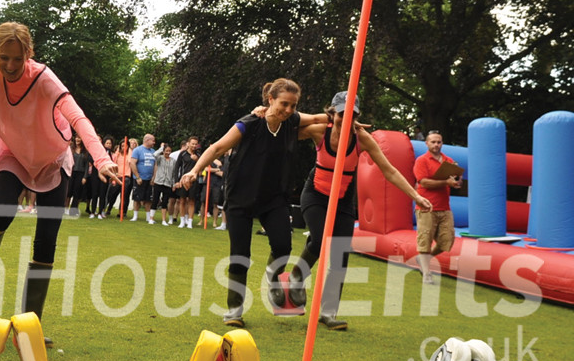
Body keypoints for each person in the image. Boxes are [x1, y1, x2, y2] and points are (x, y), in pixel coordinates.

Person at [0, 22, 118, 344]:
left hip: (51, 156)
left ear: (28, 55)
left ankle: (29, 326)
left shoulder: (44, 78)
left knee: (46, 239)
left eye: (16, 59)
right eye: (3, 57)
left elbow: (78, 118)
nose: (9, 66)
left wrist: (101, 159)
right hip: (10, 151)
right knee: (3, 210)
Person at [181, 79, 328, 327]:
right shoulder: (249, 123)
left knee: (283, 246)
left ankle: (273, 280)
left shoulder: (291, 122)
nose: (289, 110)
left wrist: (344, 118)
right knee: (240, 255)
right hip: (241, 198)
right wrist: (194, 171)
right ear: (270, 99)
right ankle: (234, 310)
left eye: (293, 106)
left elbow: (318, 119)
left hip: (274, 199)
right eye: (284, 104)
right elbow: (217, 148)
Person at [292, 91, 432, 330]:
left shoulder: (361, 138)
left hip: (344, 200)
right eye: (341, 115)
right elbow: (288, 126)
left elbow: (389, 171)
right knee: (318, 241)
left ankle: (328, 313)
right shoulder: (320, 130)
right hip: (315, 193)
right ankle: (296, 277)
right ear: (332, 113)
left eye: (351, 116)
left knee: (340, 256)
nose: (345, 121)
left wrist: (416, 196)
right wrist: (316, 117)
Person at [413, 130, 461, 283]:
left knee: (447, 240)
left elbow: (455, 182)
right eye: (433, 142)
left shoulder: (449, 161)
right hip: (426, 206)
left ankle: (424, 260)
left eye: (439, 142)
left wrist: (456, 182)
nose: (436, 144)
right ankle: (427, 274)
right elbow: (423, 182)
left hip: (444, 207)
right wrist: (446, 182)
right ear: (427, 143)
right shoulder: (422, 160)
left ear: (442, 143)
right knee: (425, 240)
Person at [173, 137, 201, 228]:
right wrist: (176, 181)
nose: (194, 146)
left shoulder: (198, 155)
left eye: (195, 144)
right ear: (188, 143)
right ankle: (182, 221)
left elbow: (202, 168)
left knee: (192, 201)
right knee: (182, 200)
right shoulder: (183, 154)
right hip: (183, 180)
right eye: (192, 143)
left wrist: (196, 160)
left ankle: (190, 222)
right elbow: (177, 168)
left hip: (194, 181)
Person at [129, 133, 157, 223]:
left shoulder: (153, 151)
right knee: (137, 198)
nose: (154, 142)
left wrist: (154, 177)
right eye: (153, 140)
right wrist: (137, 177)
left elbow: (155, 165)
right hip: (140, 178)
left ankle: (148, 217)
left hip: (149, 179)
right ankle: (135, 216)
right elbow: (132, 163)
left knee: (148, 199)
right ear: (147, 140)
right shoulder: (137, 150)